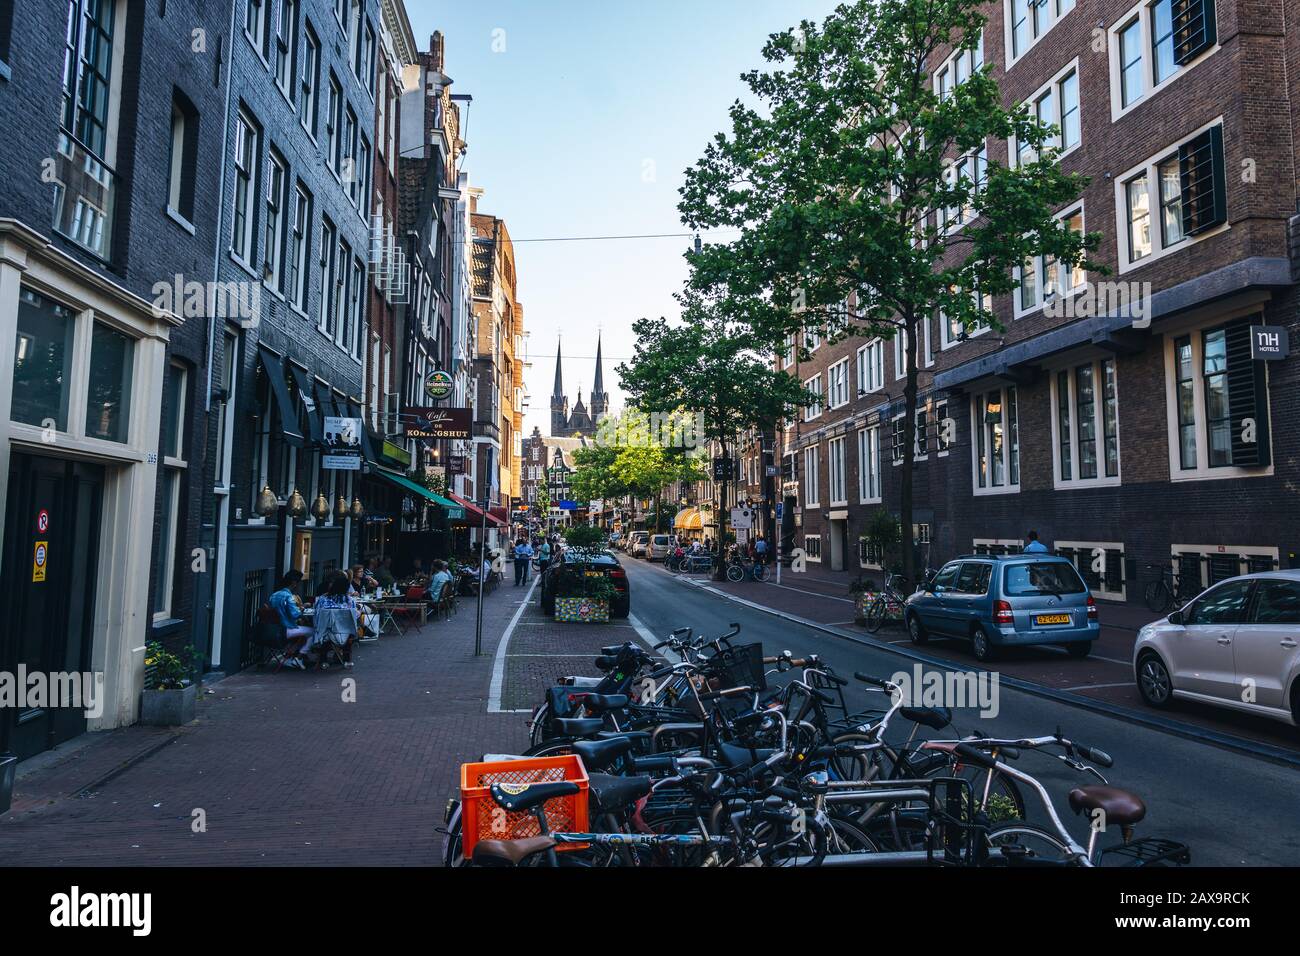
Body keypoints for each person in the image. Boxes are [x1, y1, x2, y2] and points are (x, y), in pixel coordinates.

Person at [306, 570, 359, 669]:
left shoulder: (322, 600)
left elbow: (317, 615)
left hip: (326, 634)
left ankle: (323, 659)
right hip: (345, 634)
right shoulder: (350, 601)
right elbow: (355, 616)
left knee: (325, 629)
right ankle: (346, 659)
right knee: (350, 629)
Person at [268, 570, 313, 670]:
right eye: (299, 583)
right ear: (294, 583)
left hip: (275, 628)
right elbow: (295, 614)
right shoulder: (289, 596)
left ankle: (289, 656)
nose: (299, 586)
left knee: (303, 632)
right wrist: (302, 607)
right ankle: (299, 657)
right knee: (313, 632)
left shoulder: (274, 595)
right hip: (286, 629)